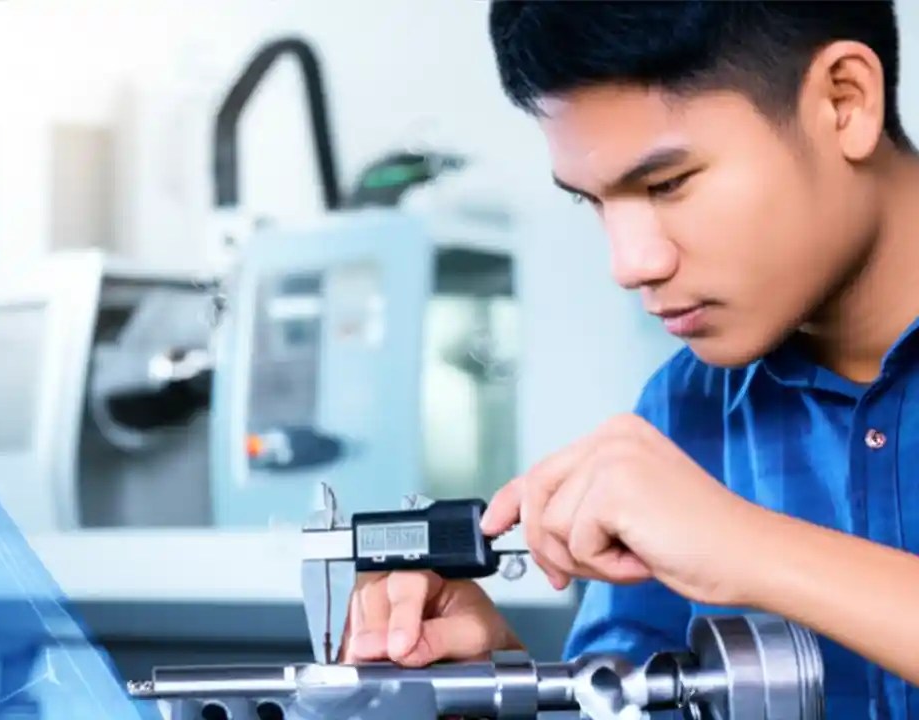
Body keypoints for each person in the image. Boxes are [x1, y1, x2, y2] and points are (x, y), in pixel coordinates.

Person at [340, 2, 919, 717]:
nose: (630, 262)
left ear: (843, 101)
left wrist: (745, 546)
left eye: (668, 184)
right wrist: (496, 684)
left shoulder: (680, 483)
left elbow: (732, 545)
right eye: (594, 202)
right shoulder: (680, 416)